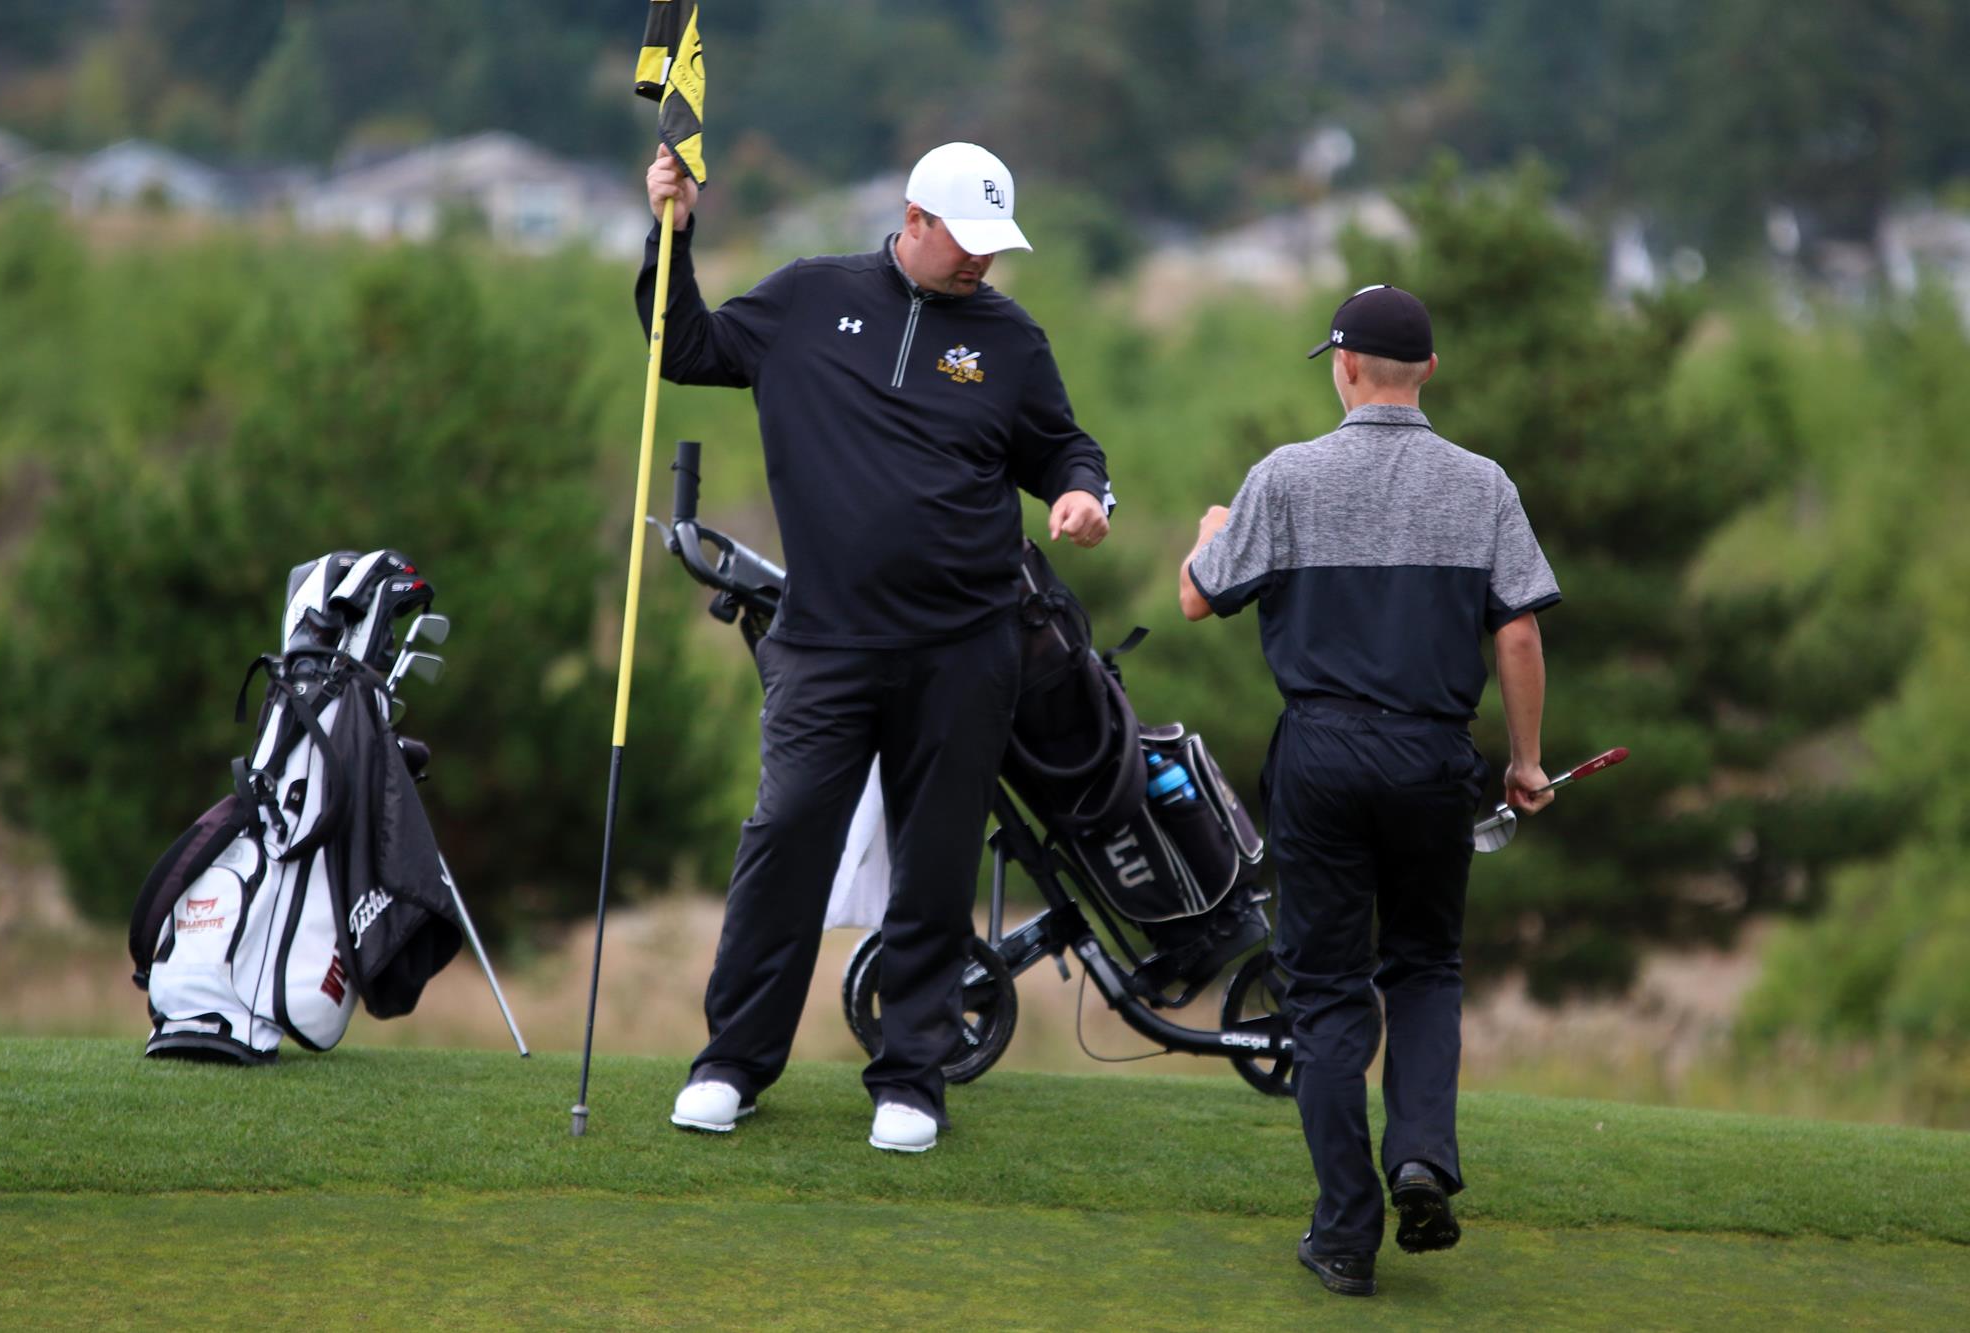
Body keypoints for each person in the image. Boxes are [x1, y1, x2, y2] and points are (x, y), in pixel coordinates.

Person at [637, 141, 1113, 1153]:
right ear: (913, 218)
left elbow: (1061, 445)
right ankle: (731, 1063)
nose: (981, 259)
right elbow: (685, 348)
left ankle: (910, 1074)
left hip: (966, 645)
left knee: (935, 862)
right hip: (826, 641)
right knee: (786, 837)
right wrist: (670, 233)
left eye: (995, 242)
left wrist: (1080, 490)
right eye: (966, 239)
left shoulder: (1008, 337)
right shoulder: (810, 299)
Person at [1177, 284, 1558, 1296]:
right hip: (1434, 757)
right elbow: (1516, 628)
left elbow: (1195, 595)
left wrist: (1214, 525)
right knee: (1424, 964)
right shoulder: (1481, 484)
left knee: (1329, 989)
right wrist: (1522, 760)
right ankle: (1421, 1157)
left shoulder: (1285, 475)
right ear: (1426, 371)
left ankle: (1345, 1234)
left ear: (1342, 367)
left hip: (1322, 755)